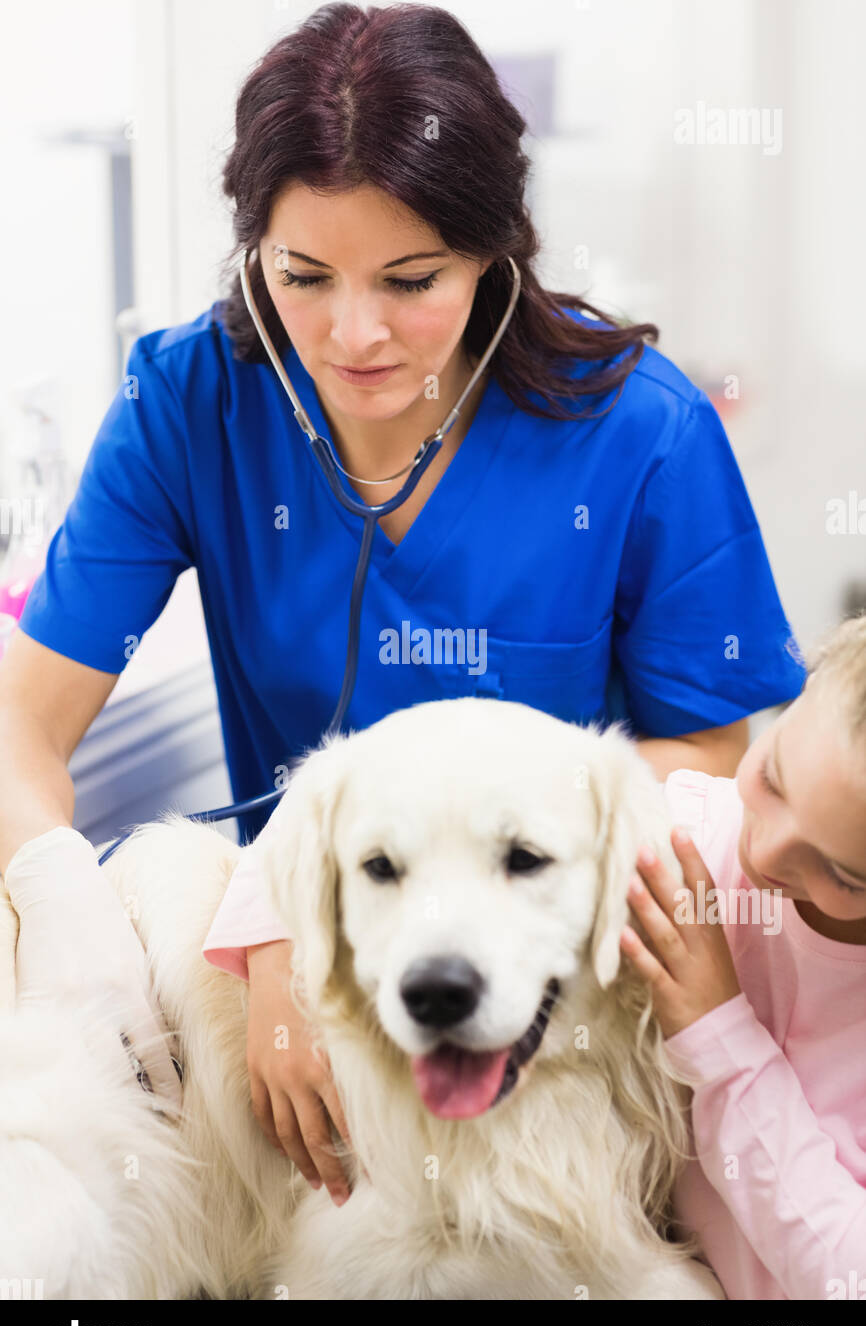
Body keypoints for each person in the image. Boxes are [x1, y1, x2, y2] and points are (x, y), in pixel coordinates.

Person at [0, 6, 802, 1197]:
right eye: (302, 276)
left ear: (496, 248)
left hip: (538, 996)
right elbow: (25, 724)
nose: (353, 333)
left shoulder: (639, 432)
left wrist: (293, 906)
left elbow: (696, 766)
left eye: (411, 278)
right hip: (295, 963)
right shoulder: (190, 403)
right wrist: (61, 892)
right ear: (252, 253)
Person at [620, 613, 866, 1300]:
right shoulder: (671, 832)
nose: (764, 853)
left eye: (845, 876)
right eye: (774, 778)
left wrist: (719, 1035)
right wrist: (282, 928)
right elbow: (437, 784)